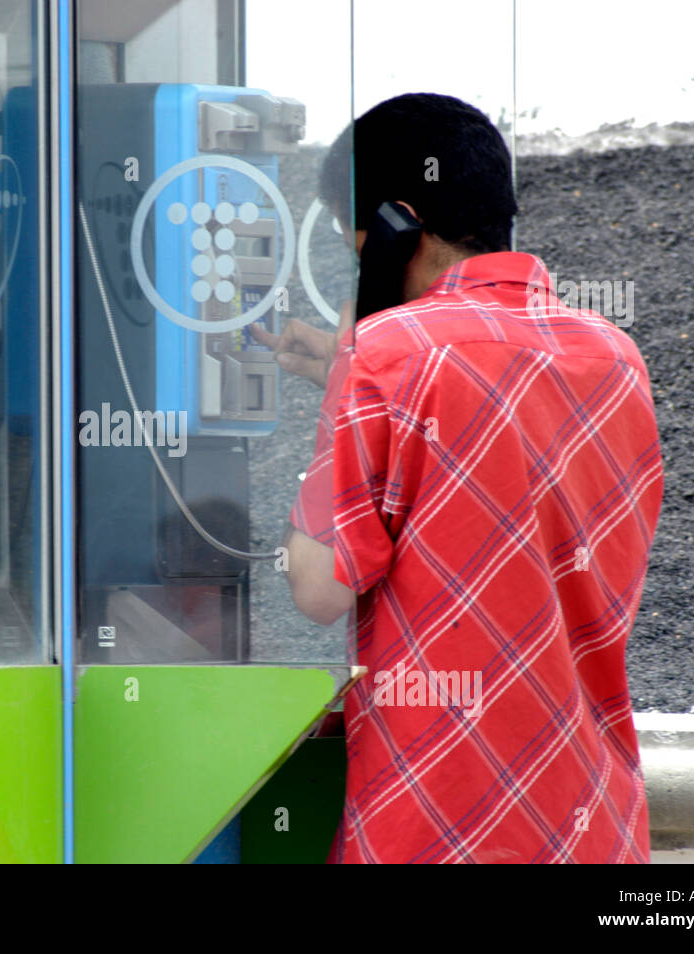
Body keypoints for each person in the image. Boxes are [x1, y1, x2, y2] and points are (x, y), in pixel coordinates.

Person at [254, 93, 663, 863]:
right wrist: (354, 382)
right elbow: (487, 462)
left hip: (436, 826)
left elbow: (319, 586)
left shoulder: (389, 357)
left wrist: (351, 386)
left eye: (359, 246)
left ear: (397, 226)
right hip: (594, 821)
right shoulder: (614, 358)